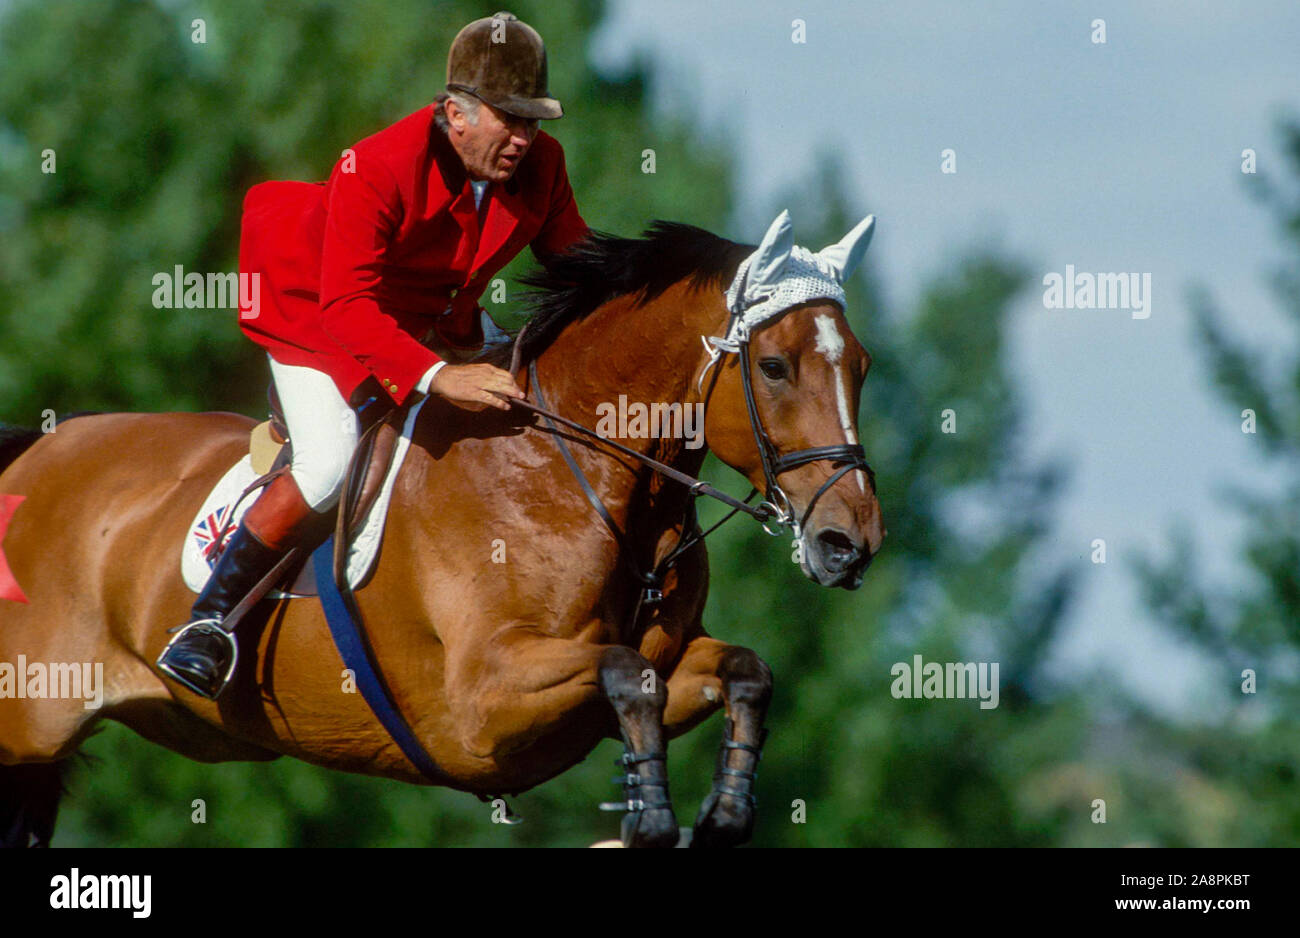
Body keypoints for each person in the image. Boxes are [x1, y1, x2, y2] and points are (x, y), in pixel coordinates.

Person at [157, 11, 589, 699]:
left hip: (430, 321)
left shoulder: (542, 167)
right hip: (316, 313)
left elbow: (577, 268)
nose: (524, 139)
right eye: (509, 120)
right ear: (455, 113)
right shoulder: (380, 164)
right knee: (330, 464)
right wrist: (441, 377)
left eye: (534, 122)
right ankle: (208, 622)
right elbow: (349, 306)